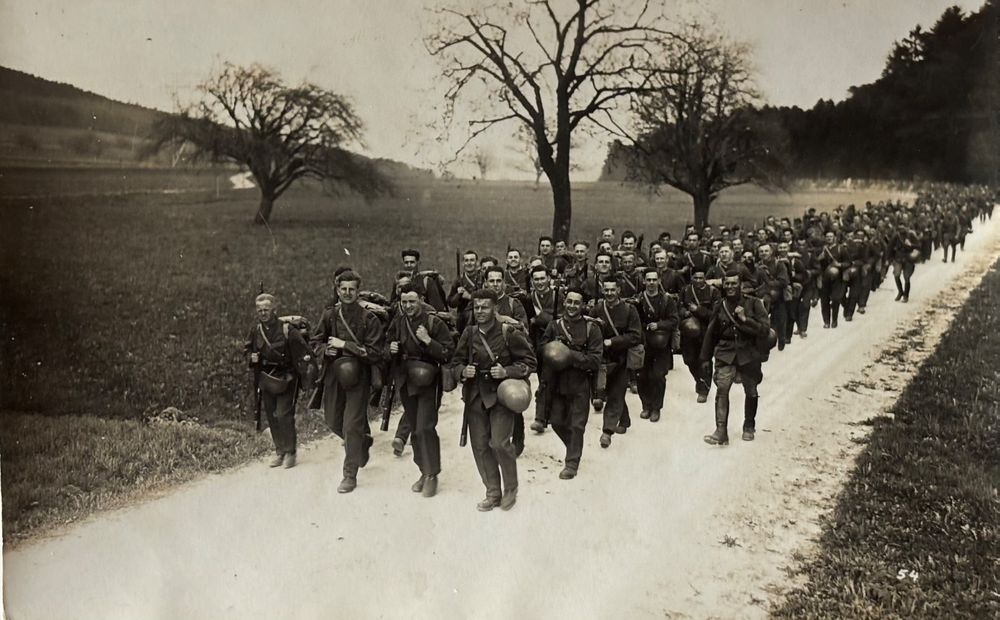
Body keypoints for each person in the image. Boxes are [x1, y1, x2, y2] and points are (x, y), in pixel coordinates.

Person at [450, 289, 537, 511]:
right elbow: (455, 362)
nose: (479, 311)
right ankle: (492, 492)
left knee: (499, 443)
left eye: (485, 307)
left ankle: (510, 488)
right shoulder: (469, 333)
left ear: (495, 308)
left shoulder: (509, 332)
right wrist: (463, 371)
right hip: (475, 395)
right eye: (476, 307)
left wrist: (507, 372)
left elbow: (530, 362)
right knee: (480, 446)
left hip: (501, 394)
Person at [311, 270, 385, 494]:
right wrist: (326, 349)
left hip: (359, 377)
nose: (347, 293)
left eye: (352, 289)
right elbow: (315, 342)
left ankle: (349, 474)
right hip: (334, 375)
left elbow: (374, 352)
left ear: (358, 291)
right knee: (333, 421)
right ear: (337, 290)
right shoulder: (330, 315)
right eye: (343, 289)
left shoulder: (368, 318)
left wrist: (345, 345)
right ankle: (361, 442)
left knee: (351, 425)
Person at [384, 283, 455, 498]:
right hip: (407, 379)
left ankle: (432, 474)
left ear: (421, 300)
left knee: (425, 428)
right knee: (414, 429)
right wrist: (391, 349)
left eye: (412, 302)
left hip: (428, 381)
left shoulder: (434, 322)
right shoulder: (398, 320)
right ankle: (423, 470)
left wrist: (428, 341)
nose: (408, 306)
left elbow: (448, 352)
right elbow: (386, 344)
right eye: (404, 302)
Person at [245, 293, 315, 468]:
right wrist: (251, 357)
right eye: (259, 310)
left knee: (283, 414)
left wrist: (306, 378)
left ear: (274, 310)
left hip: (287, 378)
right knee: (271, 415)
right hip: (266, 378)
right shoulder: (256, 330)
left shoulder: (287, 330)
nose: (263, 313)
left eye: (266, 310)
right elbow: (248, 348)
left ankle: (290, 451)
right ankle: (280, 451)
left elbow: (304, 353)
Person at [539, 287, 602, 479]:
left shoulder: (592, 328)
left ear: (583, 305)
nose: (572, 306)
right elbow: (542, 349)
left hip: (579, 383)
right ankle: (574, 448)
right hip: (557, 383)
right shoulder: (554, 326)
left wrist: (568, 353)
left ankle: (572, 462)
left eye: (577, 303)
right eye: (569, 302)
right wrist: (552, 350)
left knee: (577, 425)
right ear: (564, 302)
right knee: (557, 422)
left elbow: (595, 359)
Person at [700, 274, 770, 445]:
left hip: (749, 353)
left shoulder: (754, 303)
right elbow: (711, 333)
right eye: (727, 283)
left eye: (734, 283)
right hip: (726, 352)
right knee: (722, 389)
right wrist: (705, 358)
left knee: (751, 390)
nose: (730, 287)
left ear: (740, 285)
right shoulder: (719, 305)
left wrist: (747, 320)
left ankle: (749, 425)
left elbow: (765, 330)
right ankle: (721, 431)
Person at [590, 278, 642, 448]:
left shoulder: (629, 310)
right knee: (612, 391)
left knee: (615, 394)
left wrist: (612, 342)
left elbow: (635, 336)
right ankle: (624, 420)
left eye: (613, 290)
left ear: (619, 290)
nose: (610, 293)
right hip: (603, 359)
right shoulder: (597, 309)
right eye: (606, 290)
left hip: (622, 359)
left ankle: (607, 432)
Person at [635, 268, 679, 422]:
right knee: (642, 376)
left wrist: (659, 325)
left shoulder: (667, 300)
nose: (651, 283)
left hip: (661, 345)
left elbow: (674, 320)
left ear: (659, 281)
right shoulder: (639, 300)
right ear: (644, 281)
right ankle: (645, 406)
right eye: (649, 280)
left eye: (654, 280)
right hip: (644, 343)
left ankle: (656, 408)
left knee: (658, 376)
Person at [525, 266, 562, 434]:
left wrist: (539, 316)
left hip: (552, 344)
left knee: (547, 380)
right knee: (542, 378)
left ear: (548, 278)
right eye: (536, 279)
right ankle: (548, 412)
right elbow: (524, 321)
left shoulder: (558, 296)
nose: (540, 282)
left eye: (542, 278)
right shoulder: (528, 298)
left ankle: (540, 418)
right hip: (534, 344)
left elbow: (559, 321)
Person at [679, 268, 720, 402]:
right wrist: (684, 312)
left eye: (700, 278)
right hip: (689, 331)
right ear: (692, 278)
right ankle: (699, 380)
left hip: (706, 332)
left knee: (704, 361)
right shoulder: (685, 290)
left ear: (705, 279)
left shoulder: (713, 292)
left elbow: (715, 315)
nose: (698, 281)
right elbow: (679, 306)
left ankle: (704, 389)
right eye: (695, 278)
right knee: (689, 359)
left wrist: (699, 310)